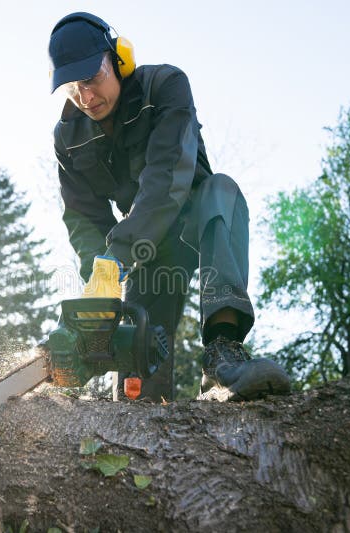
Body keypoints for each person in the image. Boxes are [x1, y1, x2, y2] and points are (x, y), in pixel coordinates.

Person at [48, 12, 291, 402]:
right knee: (137, 382)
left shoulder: (164, 87)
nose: (86, 97)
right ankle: (137, 404)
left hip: (194, 216)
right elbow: (81, 214)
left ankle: (222, 357)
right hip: (147, 248)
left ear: (118, 59)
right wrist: (99, 279)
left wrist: (118, 256)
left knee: (221, 191)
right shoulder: (68, 136)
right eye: (74, 87)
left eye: (92, 79)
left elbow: (166, 176)